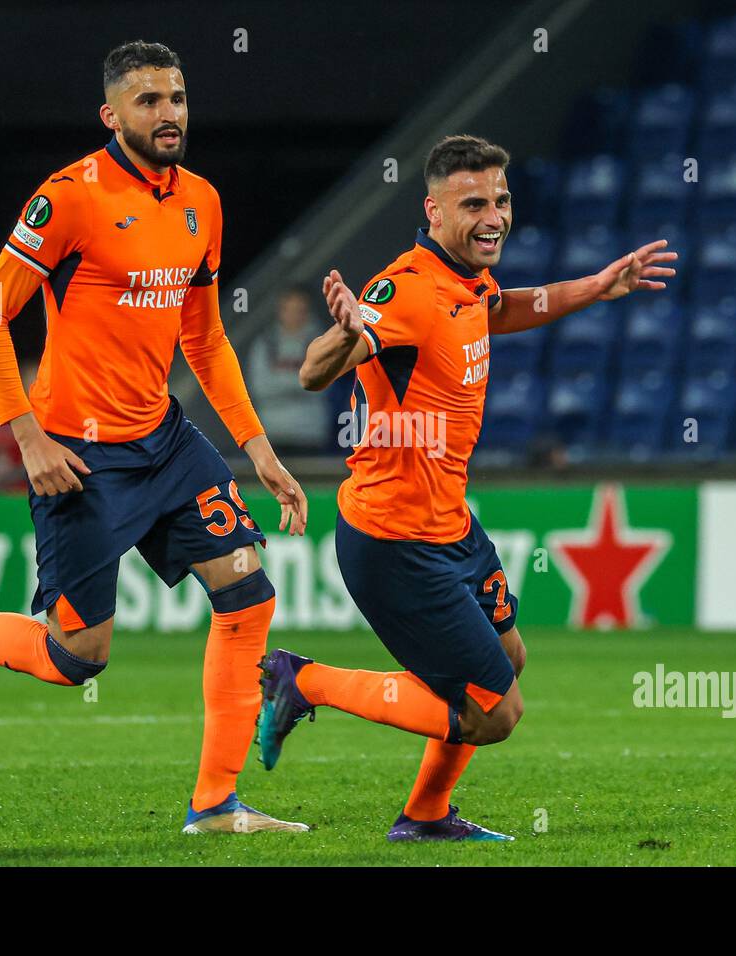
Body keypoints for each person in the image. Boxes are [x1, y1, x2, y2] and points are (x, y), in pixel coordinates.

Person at [0, 41, 311, 835]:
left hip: (165, 438)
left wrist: (257, 448)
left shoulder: (203, 202)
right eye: (149, 100)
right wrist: (25, 438)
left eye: (178, 98)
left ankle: (216, 807)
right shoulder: (72, 198)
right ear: (111, 114)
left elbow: (206, 339)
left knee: (247, 591)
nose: (168, 114)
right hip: (78, 457)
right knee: (74, 658)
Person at [255, 135, 677, 841]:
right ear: (434, 210)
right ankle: (303, 681)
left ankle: (425, 816)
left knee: (509, 659)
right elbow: (315, 370)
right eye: (474, 203)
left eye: (502, 200)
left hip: (449, 524)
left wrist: (597, 286)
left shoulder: (468, 280)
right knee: (495, 712)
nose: (494, 216)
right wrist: (348, 331)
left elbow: (501, 309)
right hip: (393, 542)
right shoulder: (406, 291)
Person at [246, 285, 329, 454]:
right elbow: (260, 388)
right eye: (289, 309)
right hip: (271, 434)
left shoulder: (323, 342)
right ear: (280, 310)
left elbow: (323, 386)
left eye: (300, 310)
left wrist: (279, 382)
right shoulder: (264, 343)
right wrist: (302, 382)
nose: (294, 316)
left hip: (311, 434)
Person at [0, 360, 38, 492]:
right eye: (31, 382)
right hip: (10, 494)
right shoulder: (5, 422)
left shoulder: (56, 420)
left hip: (44, 493)